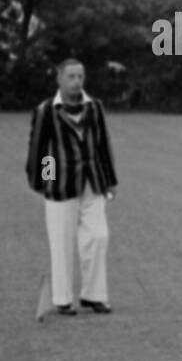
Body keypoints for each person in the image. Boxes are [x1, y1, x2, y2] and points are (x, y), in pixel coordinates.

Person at [26, 58, 118, 315]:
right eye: (71, 77)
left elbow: (103, 145)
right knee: (62, 242)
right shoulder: (46, 110)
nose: (77, 81)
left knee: (99, 237)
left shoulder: (95, 107)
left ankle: (94, 295)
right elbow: (40, 151)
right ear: (59, 79)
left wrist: (109, 179)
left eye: (80, 76)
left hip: (93, 181)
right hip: (60, 185)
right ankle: (63, 299)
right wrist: (45, 180)